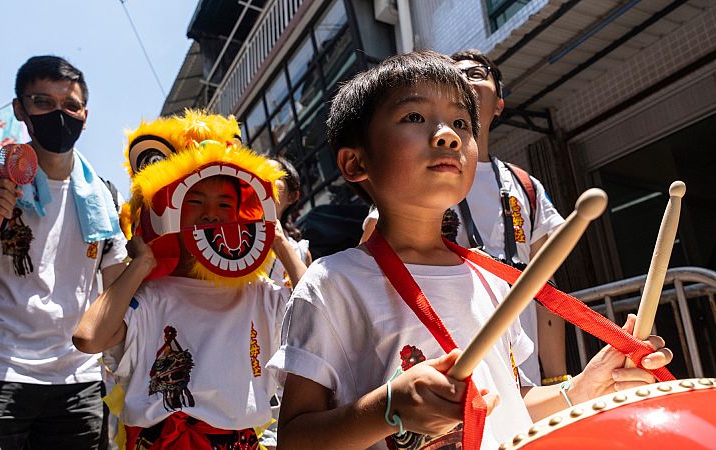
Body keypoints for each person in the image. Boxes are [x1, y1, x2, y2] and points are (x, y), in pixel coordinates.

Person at [268, 51, 673, 449]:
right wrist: (388, 408)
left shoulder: (493, 279)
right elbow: (294, 438)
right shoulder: (332, 284)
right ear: (356, 163)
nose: (448, 134)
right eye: (414, 117)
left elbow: (512, 407)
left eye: (461, 122)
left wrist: (584, 387)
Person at [73, 113, 308, 450]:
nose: (211, 214)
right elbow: (88, 337)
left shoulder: (258, 293)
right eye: (195, 201)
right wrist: (141, 264)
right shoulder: (151, 296)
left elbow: (315, 315)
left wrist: (279, 241)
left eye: (225, 204)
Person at [0, 55, 128, 449]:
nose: (59, 115)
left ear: (84, 114)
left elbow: (115, 295)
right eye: (43, 103)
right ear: (20, 109)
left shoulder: (104, 199)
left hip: (77, 381)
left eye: (70, 106)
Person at [360, 49, 567, 386]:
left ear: (499, 104)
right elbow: (373, 264)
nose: (464, 80)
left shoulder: (524, 184)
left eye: (476, 74)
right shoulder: (419, 176)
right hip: (439, 364)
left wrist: (557, 378)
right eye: (454, 76)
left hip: (520, 375)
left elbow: (546, 285)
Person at [266, 156, 313, 287]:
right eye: (258, 174)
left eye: (273, 175)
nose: (263, 180)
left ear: (292, 196)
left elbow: (310, 296)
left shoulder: (301, 252)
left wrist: (279, 242)